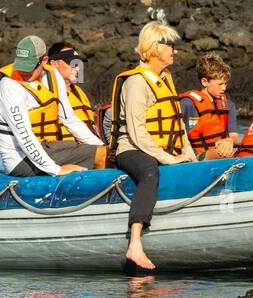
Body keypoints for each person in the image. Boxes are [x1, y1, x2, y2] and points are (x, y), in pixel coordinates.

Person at [110, 22, 196, 272]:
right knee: (149, 171)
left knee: (198, 161)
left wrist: (188, 154)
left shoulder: (166, 78)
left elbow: (178, 125)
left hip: (163, 147)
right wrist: (167, 160)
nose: (175, 51)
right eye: (170, 46)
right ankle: (135, 242)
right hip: (132, 149)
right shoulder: (136, 83)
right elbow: (137, 133)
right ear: (154, 48)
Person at [0, 36, 93, 177]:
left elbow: (70, 119)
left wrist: (102, 147)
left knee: (103, 153)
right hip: (20, 160)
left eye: (30, 66)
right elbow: (25, 136)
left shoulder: (54, 76)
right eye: (22, 65)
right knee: (99, 158)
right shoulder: (9, 86)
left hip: (48, 147)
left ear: (44, 60)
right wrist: (56, 170)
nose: (25, 72)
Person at [39, 41, 108, 169]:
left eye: (78, 64)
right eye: (72, 63)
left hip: (88, 152)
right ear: (53, 64)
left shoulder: (79, 93)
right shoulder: (44, 92)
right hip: (61, 152)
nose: (77, 68)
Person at [180, 53, 240, 160]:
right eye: (220, 84)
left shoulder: (229, 105)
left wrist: (229, 140)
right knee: (224, 154)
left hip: (221, 151)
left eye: (225, 84)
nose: (224, 88)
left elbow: (235, 136)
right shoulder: (186, 104)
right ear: (204, 82)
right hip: (194, 155)